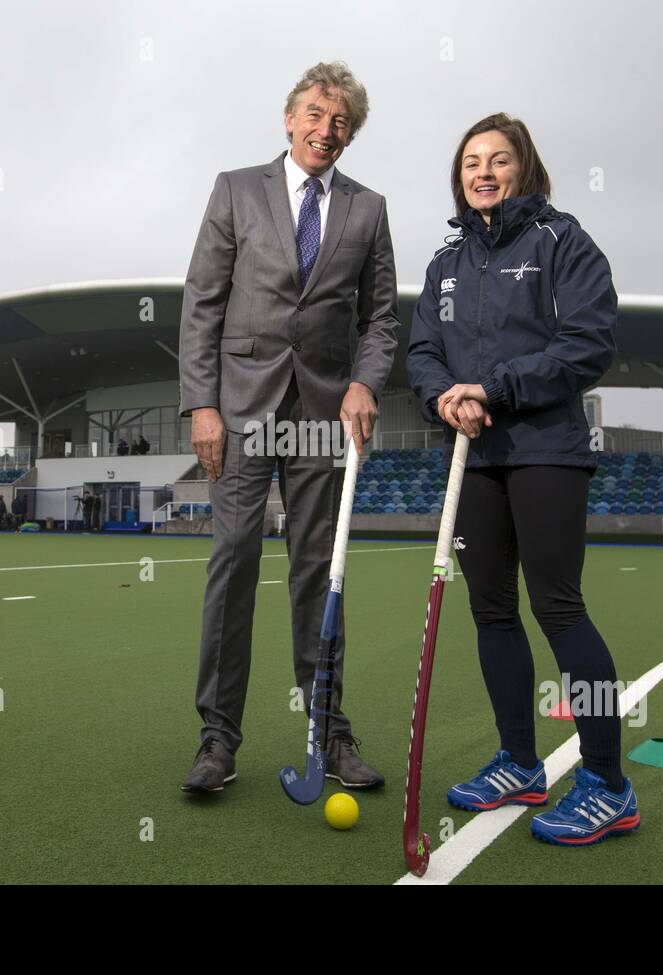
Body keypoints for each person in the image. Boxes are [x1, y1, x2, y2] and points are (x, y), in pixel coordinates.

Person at [406, 113, 636, 847]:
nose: (483, 172)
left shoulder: (563, 241)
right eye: (471, 161)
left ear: (524, 168)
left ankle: (607, 782)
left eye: (498, 160)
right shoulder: (445, 263)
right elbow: (421, 351)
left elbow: (587, 342)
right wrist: (444, 393)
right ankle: (519, 761)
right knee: (492, 610)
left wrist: (493, 387)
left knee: (559, 607)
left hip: (546, 449)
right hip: (473, 457)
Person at [177, 61, 398, 793]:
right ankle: (217, 738)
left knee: (317, 571)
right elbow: (203, 301)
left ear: (350, 133)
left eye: (341, 121)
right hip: (241, 412)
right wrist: (201, 405)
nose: (325, 130)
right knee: (234, 561)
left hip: (321, 416)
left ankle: (329, 734)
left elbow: (382, 319)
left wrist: (365, 381)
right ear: (289, 118)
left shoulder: (369, 209)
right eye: (314, 114)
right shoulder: (236, 189)